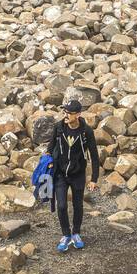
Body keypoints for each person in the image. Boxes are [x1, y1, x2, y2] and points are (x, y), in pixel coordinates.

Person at [47, 100, 99, 253]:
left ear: (78, 114)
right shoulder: (59, 127)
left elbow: (94, 157)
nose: (66, 115)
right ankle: (66, 235)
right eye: (65, 112)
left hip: (78, 174)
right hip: (60, 174)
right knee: (61, 205)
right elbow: (50, 148)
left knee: (78, 205)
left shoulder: (86, 132)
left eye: (69, 112)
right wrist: (47, 161)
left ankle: (76, 233)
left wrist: (94, 179)